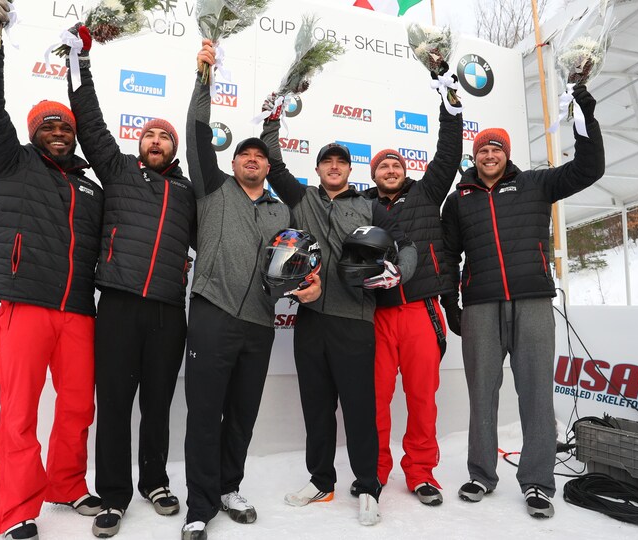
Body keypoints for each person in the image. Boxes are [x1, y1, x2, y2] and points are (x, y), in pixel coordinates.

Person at [0, 2, 105, 539]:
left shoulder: (91, 185)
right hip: (24, 301)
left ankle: (67, 484)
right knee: (20, 412)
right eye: (47, 125)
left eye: (64, 126)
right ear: (33, 132)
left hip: (77, 309)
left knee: (77, 406)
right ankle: (16, 511)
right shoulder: (10, 163)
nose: (58, 131)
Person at [441, 84, 604, 518]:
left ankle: (537, 482)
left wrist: (584, 111)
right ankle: (481, 474)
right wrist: (449, 305)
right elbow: (446, 256)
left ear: (506, 154)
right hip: (479, 305)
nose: (488, 156)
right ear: (474, 156)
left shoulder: (537, 183)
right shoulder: (458, 200)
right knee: (482, 393)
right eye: (482, 151)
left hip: (531, 300)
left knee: (535, 393)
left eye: (495, 149)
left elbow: (590, 168)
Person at [181, 40, 322, 540]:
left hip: (261, 322)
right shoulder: (212, 190)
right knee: (203, 414)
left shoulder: (282, 211)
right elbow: (198, 133)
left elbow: (300, 258)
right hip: (213, 311)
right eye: (245, 155)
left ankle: (228, 486)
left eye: (260, 157)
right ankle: (199, 505)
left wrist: (309, 282)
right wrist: (204, 76)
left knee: (241, 413)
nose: (253, 160)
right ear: (234, 162)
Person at [63, 24, 197, 538]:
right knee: (115, 403)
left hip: (167, 309)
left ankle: (156, 482)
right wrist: (81, 63)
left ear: (174, 147)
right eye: (150, 134)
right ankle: (114, 495)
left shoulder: (187, 192)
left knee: (158, 405)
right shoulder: (117, 170)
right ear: (139, 143)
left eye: (165, 136)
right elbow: (90, 122)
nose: (157, 140)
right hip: (118, 304)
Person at [259, 99, 417, 526]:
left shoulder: (370, 206)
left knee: (360, 409)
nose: (333, 167)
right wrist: (273, 119)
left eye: (340, 162)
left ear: (350, 170)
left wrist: (399, 273)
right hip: (310, 319)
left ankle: (368, 486)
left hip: (355, 323)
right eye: (326, 161)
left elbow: (407, 244)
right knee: (316, 407)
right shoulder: (302, 198)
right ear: (319, 169)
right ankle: (321, 481)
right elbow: (272, 165)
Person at [364, 77, 463, 506]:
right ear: (374, 175)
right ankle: (376, 471)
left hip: (421, 310)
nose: (390, 170)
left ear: (405, 171)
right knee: (375, 400)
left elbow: (448, 151)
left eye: (396, 165)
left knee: (422, 399)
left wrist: (450, 103)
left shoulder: (426, 193)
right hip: (378, 315)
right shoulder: (362, 204)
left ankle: (421, 472)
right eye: (382, 166)